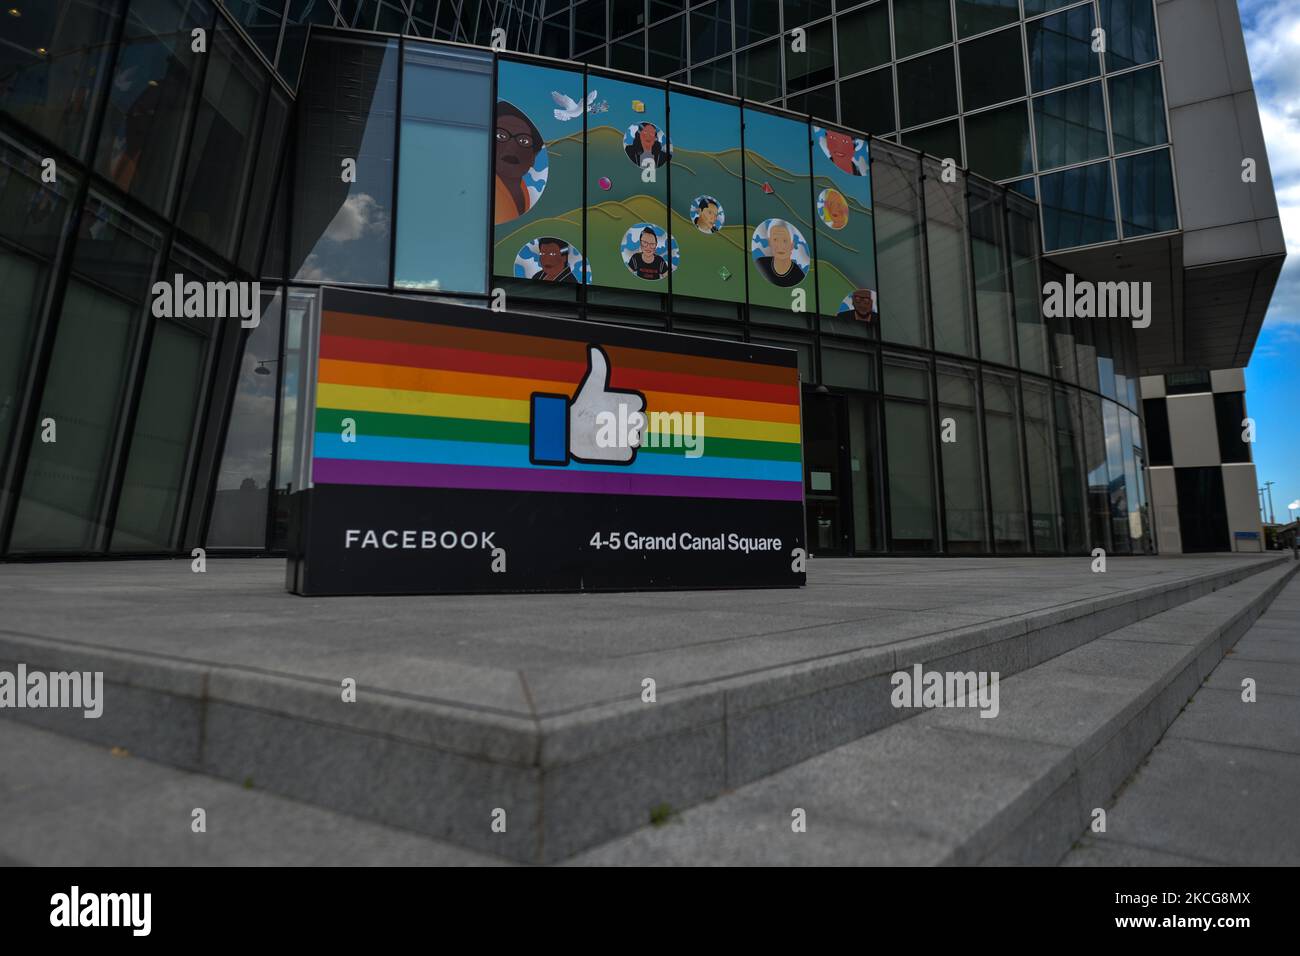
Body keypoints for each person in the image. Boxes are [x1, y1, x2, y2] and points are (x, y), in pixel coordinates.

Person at [494, 101, 543, 224]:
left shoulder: (523, 189)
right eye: (500, 136)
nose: (511, 148)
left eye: (523, 141)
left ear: (534, 156)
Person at [754, 222, 805, 287]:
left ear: (792, 245)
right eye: (775, 240)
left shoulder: (798, 275)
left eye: (785, 240)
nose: (780, 246)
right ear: (770, 243)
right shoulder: (760, 263)